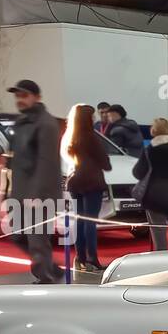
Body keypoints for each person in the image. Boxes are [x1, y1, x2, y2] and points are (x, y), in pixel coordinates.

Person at [5, 79, 62, 283]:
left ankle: (46, 279)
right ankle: (52, 270)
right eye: (17, 96)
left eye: (24, 95)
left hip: (39, 195)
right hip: (20, 192)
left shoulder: (46, 124)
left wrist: (36, 196)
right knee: (18, 236)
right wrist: (2, 161)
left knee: (38, 241)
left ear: (37, 97)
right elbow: (23, 158)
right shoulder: (22, 122)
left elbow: (47, 162)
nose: (19, 100)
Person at [63, 103, 110, 272]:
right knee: (90, 220)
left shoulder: (72, 137)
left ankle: (80, 257)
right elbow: (106, 163)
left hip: (75, 181)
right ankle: (92, 258)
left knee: (79, 219)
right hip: (92, 182)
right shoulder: (92, 137)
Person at [132, 118, 168, 251]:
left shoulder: (150, 149)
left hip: (155, 194)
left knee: (158, 229)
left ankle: (161, 256)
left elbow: (138, 172)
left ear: (154, 131)